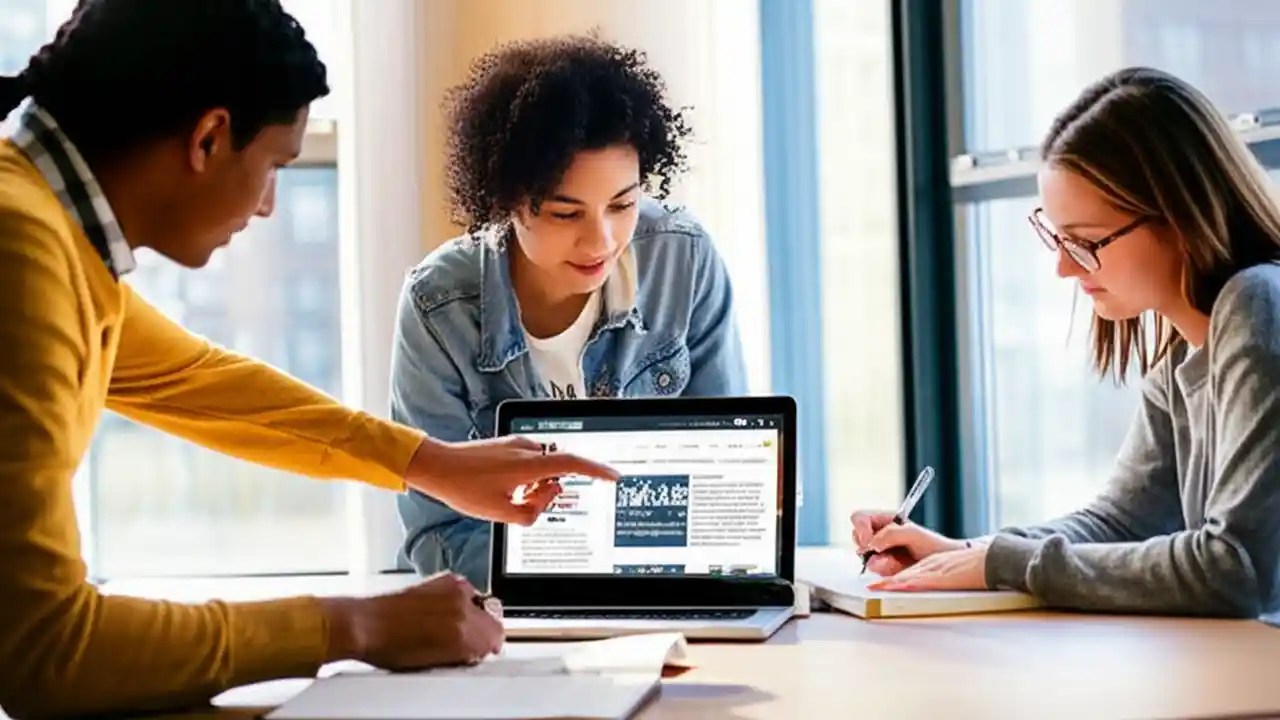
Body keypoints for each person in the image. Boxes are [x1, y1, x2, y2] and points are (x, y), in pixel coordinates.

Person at [0, 2, 618, 718]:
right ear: (209, 138)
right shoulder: (22, 253)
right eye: (275, 166)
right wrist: (354, 625)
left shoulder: (48, 233)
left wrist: (434, 463)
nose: (268, 206)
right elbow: (45, 652)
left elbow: (202, 384)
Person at [851, 66, 1280, 620]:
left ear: (1176, 215)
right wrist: (967, 554)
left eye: (1085, 242)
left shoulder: (1258, 304)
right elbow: (1121, 522)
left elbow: (1235, 570)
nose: (1061, 267)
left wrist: (1002, 562)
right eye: (1058, 238)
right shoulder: (1182, 347)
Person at [391, 34, 748, 587]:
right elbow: (439, 530)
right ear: (509, 200)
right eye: (565, 213)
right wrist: (578, 585)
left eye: (624, 204)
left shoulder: (684, 260)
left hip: (664, 584)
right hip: (510, 609)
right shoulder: (439, 308)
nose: (600, 240)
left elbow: (731, 467)